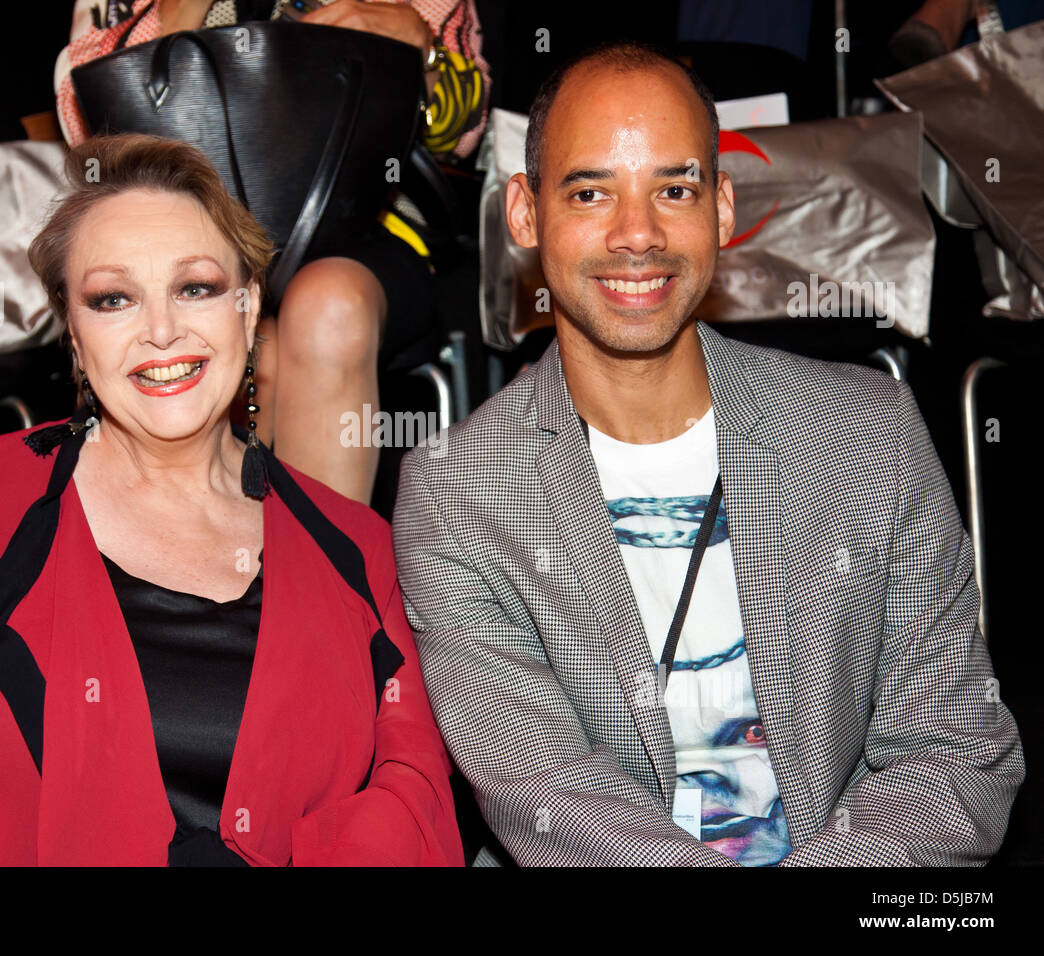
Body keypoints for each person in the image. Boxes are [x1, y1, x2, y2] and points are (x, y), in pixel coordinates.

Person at [392, 41, 1025, 866]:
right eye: (590, 191)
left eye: (675, 188)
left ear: (722, 207)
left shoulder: (871, 433)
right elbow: (549, 797)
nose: (637, 235)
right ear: (525, 212)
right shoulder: (458, 494)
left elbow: (957, 751)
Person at [0, 134, 463, 866]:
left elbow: (413, 795)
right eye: (113, 298)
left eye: (194, 286)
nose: (161, 330)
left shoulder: (354, 547)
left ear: (247, 303)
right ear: (73, 332)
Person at [53, 0, 491, 503]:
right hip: (189, 238)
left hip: (368, 230)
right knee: (250, 346)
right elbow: (83, 117)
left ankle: (322, 572)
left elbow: (462, 134)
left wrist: (423, 52)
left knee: (329, 306)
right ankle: (198, 568)